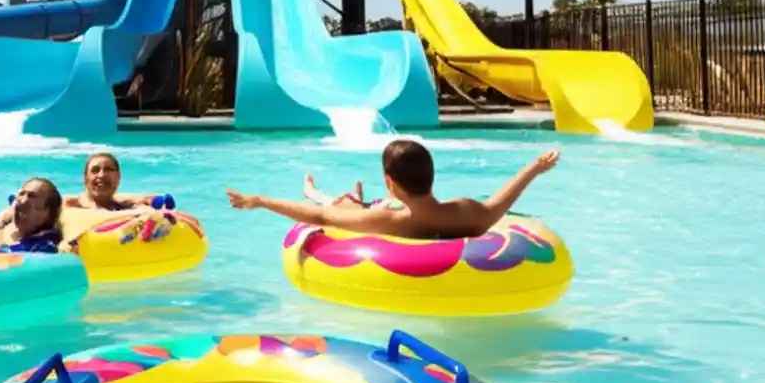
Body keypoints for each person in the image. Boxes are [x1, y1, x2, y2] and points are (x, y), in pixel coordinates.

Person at [226, 139, 560, 240]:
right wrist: (534, 168)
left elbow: (320, 217)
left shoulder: (389, 220)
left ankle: (323, 192)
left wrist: (260, 200)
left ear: (390, 182)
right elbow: (501, 202)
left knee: (339, 206)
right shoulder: (466, 213)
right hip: (410, 204)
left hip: (385, 210)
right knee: (372, 205)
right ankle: (344, 197)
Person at [64, 152, 157, 211]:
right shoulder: (69, 207)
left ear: (118, 176)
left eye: (108, 169)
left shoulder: (125, 208)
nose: (101, 175)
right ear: (85, 178)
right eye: (95, 170)